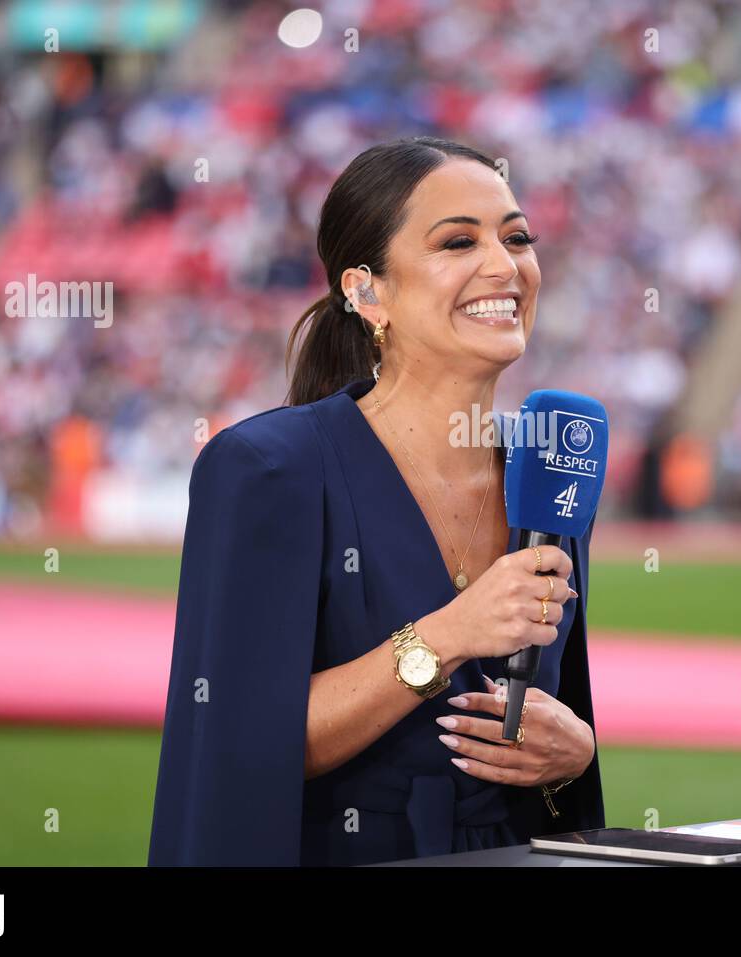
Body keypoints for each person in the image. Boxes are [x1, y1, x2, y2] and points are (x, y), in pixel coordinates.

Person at [148, 136, 604, 865]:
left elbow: (546, 719)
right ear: (367, 292)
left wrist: (576, 749)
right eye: (458, 241)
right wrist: (448, 634)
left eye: (517, 237)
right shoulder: (268, 467)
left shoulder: (548, 464)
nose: (505, 265)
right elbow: (236, 742)